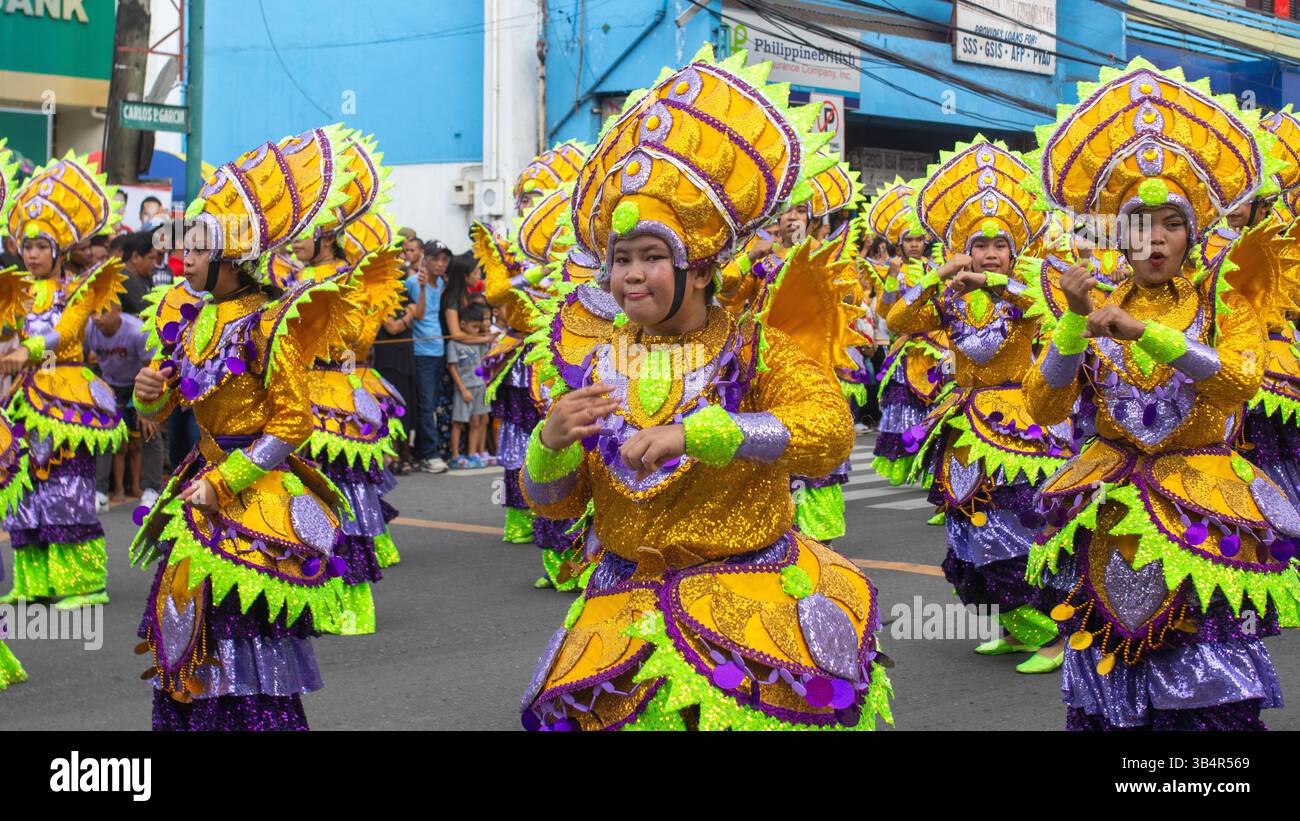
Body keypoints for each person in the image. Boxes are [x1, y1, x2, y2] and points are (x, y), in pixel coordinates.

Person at [520, 44, 893, 731]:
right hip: (621, 613)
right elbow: (555, 507)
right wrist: (549, 444)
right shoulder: (592, 361)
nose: (631, 276)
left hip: (750, 604)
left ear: (699, 268)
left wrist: (699, 431)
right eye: (621, 260)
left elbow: (828, 435)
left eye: (651, 257)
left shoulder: (755, 350)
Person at [1023, 59, 1300, 730]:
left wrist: (1139, 330)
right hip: (1113, 504)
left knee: (1205, 677)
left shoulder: (1222, 296)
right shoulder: (1093, 300)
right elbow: (1044, 407)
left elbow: (1239, 379)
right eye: (1139, 222)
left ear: (1194, 231)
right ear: (1117, 231)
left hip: (1205, 503)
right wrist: (1070, 319)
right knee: (1112, 670)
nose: (1154, 239)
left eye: (1171, 222)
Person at [130, 126, 353, 731]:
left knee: (240, 629)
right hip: (201, 479)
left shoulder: (270, 321)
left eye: (200, 248)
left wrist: (226, 481)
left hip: (254, 491)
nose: (187, 258)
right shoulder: (190, 318)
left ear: (234, 256)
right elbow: (165, 407)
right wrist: (146, 396)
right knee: (190, 619)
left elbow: (292, 421)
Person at [889, 137, 1071, 673]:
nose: (990, 251)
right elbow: (898, 322)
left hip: (1018, 423)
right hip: (964, 422)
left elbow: (1048, 304)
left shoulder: (1026, 293)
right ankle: (1014, 627)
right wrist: (941, 274)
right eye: (980, 243)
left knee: (1016, 527)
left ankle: (1055, 632)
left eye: (1000, 243)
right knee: (967, 528)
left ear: (1015, 251)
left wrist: (993, 280)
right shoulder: (949, 299)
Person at [0, 152, 127, 610]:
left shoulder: (78, 286)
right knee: (23, 488)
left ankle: (83, 583)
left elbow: (67, 332)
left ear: (57, 250)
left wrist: (27, 351)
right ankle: (32, 581)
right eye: (27, 246)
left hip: (63, 393)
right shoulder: (12, 288)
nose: (32, 254)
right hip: (21, 399)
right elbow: (7, 336)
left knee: (66, 487)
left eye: (41, 247)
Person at [86, 301, 162, 506]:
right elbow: (81, 359)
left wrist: (146, 405)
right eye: (93, 312)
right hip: (110, 385)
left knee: (149, 429)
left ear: (118, 309)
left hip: (139, 382)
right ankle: (100, 492)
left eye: (103, 311)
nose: (97, 317)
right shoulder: (90, 329)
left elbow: (151, 369)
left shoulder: (137, 332)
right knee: (104, 432)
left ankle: (152, 489)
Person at [409, 239, 449, 473]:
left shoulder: (442, 282)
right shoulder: (413, 283)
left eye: (445, 260)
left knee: (431, 404)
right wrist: (423, 287)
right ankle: (430, 454)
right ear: (426, 260)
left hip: (438, 350)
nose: (441, 264)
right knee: (425, 405)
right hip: (421, 351)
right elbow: (420, 315)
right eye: (437, 259)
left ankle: (424, 451)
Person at [447, 301, 490, 469]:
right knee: (458, 422)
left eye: (479, 327)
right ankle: (455, 455)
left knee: (476, 422)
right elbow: (452, 368)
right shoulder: (454, 344)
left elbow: (484, 363)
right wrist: (463, 389)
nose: (476, 330)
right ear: (462, 324)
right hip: (464, 388)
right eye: (474, 326)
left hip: (480, 387)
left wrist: (486, 383)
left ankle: (472, 453)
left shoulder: (480, 342)